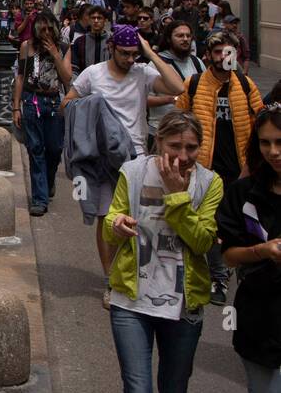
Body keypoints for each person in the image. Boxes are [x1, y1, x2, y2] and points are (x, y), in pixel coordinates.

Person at [104, 110, 222, 393]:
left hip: (183, 305)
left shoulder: (210, 183)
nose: (184, 156)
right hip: (131, 301)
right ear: (159, 143)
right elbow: (112, 218)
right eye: (175, 146)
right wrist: (117, 225)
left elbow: (203, 241)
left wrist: (176, 197)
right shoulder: (134, 172)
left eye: (191, 148)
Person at [64, 25, 187, 305]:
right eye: (124, 53)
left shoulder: (143, 73)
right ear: (111, 48)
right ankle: (110, 281)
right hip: (102, 159)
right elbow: (66, 104)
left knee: (141, 219)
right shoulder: (93, 74)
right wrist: (92, 106)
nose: (130, 59)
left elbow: (178, 87)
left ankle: (137, 274)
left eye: (134, 54)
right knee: (107, 218)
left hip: (137, 158)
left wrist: (150, 53)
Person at [216, 106, 281, 393]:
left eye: (280, 142)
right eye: (266, 143)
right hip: (260, 326)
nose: (274, 151)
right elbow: (228, 255)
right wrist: (264, 251)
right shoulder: (245, 193)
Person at [175, 30, 265, 305]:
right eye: (218, 52)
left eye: (228, 52)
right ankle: (217, 278)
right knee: (210, 225)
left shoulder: (246, 85)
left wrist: (251, 165)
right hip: (205, 169)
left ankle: (238, 274)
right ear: (209, 55)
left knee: (237, 226)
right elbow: (178, 120)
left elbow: (261, 123)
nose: (223, 57)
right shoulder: (195, 83)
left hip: (240, 170)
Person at [14, 11, 70, 215]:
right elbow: (20, 77)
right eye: (42, 29)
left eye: (49, 29)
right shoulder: (26, 47)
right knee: (35, 149)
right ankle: (39, 199)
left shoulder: (63, 47)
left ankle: (49, 179)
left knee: (54, 149)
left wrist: (56, 54)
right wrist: (16, 107)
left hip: (55, 102)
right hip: (32, 101)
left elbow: (67, 78)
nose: (46, 33)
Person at [147, 20, 205, 150]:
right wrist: (171, 100)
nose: (185, 39)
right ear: (168, 39)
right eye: (179, 36)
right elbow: (145, 99)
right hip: (162, 131)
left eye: (188, 36)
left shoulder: (197, 62)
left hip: (191, 132)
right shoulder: (157, 64)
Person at [65, 4, 112, 80]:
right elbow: (74, 67)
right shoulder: (80, 42)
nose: (96, 21)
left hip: (108, 85)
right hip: (85, 86)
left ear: (105, 21)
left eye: (99, 18)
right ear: (89, 20)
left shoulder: (113, 41)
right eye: (93, 18)